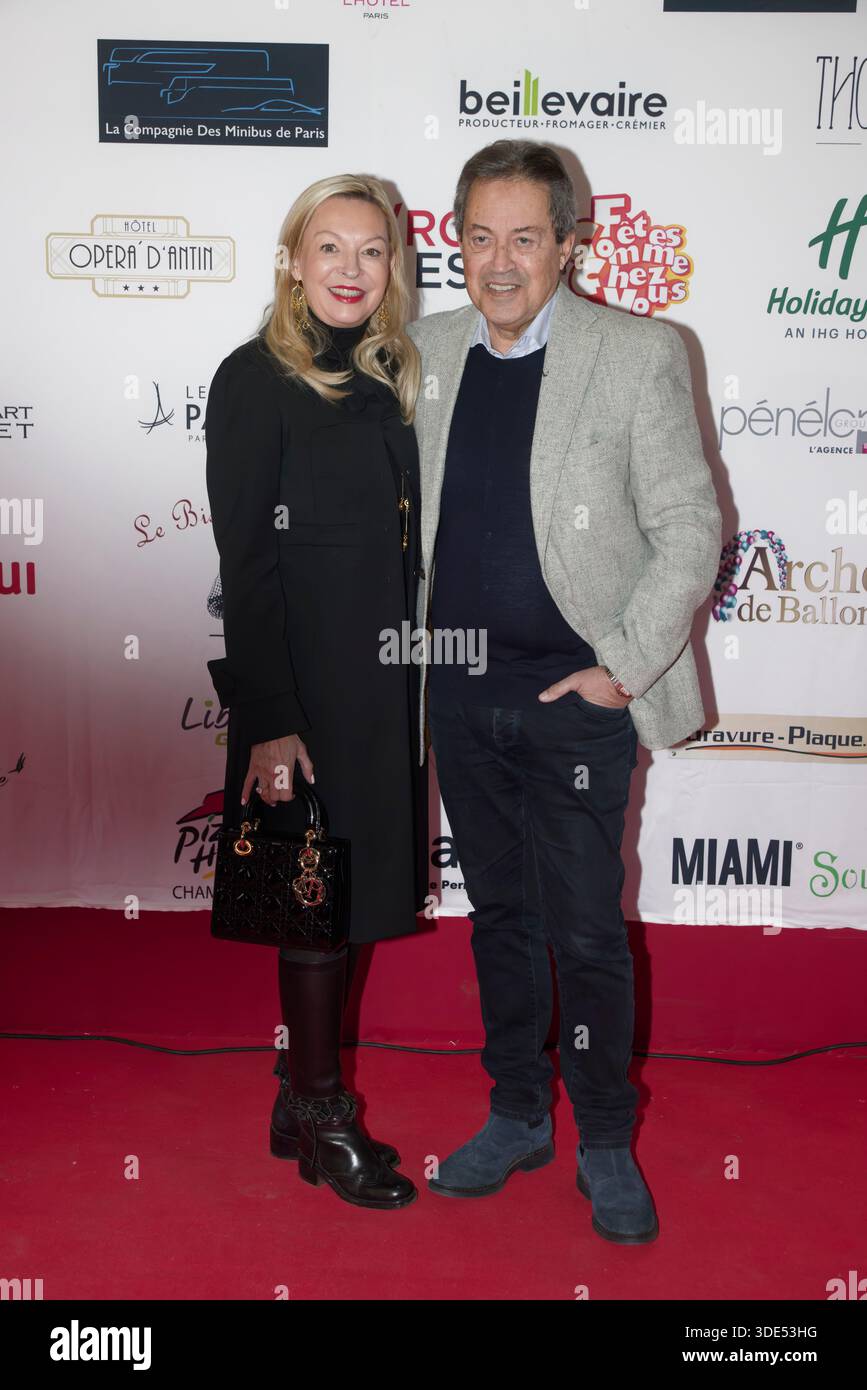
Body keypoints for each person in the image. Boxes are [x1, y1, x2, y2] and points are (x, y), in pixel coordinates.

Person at [407, 140, 721, 1243]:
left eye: (525, 238)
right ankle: (515, 1111)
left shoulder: (637, 355)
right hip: (457, 692)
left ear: (569, 243)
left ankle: (600, 1135)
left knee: (586, 930)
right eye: (479, 235)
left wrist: (620, 670)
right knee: (500, 918)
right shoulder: (423, 351)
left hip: (577, 698)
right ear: (453, 238)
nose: (499, 262)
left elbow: (690, 529)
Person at [205, 173, 426, 1210]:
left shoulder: (386, 380)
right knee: (313, 903)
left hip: (382, 685)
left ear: (392, 269)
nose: (349, 269)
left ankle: (299, 1098)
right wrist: (269, 720)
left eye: (370, 251)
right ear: (293, 260)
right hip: (303, 691)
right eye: (328, 248)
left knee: (345, 902)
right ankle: (324, 1112)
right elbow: (245, 564)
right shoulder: (253, 379)